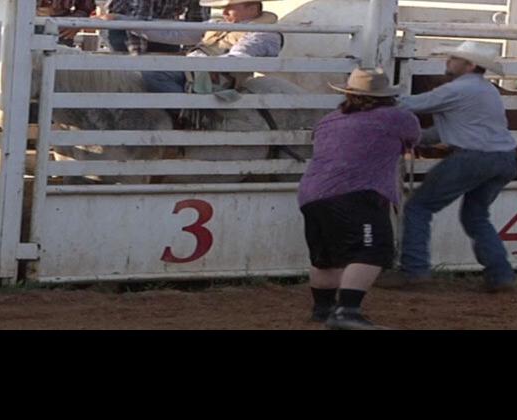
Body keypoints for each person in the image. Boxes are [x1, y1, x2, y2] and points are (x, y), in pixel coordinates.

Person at [376, 41, 517, 293]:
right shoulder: (487, 91)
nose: (448, 62)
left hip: (473, 158)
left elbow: (406, 104)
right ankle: (500, 274)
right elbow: (451, 129)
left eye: (454, 58)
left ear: (469, 65)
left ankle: (415, 270)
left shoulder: (456, 90)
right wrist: (418, 137)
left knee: (418, 207)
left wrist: (368, 98)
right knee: (476, 216)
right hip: (505, 158)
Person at [298, 68, 421, 330]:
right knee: (372, 249)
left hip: (312, 192)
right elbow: (413, 138)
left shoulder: (329, 120)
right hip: (356, 191)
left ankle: (323, 309)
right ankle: (347, 311)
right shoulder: (397, 118)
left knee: (326, 257)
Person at [135, 0, 283, 94]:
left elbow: (239, 56)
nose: (224, 12)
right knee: (142, 69)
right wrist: (127, 23)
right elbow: (175, 33)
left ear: (252, 9)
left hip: (217, 77)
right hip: (197, 69)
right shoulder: (219, 25)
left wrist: (200, 63)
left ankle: (193, 112)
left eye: (230, 8)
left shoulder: (264, 33)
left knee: (154, 74)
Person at [99, 0, 210, 55]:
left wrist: (189, 52)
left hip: (168, 31)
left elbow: (197, 20)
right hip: (124, 31)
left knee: (161, 75)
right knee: (125, 77)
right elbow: (139, 20)